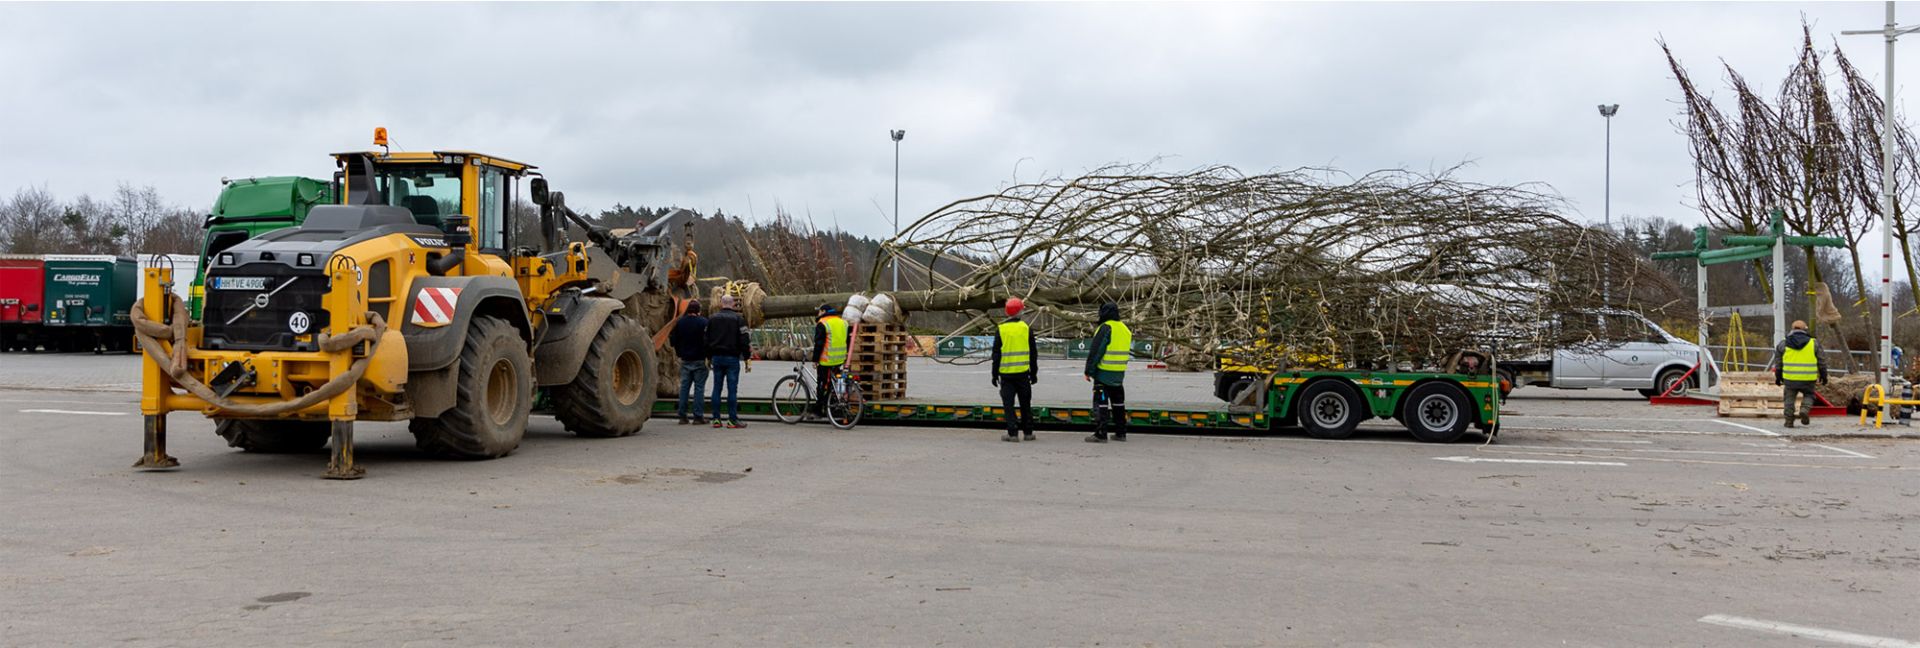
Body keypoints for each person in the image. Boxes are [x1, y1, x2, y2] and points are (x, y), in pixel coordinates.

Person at [992, 297, 1039, 442]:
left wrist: (994, 374)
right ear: (1020, 311)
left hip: (1006, 375)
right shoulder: (1026, 328)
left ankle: (1012, 434)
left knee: (1008, 405)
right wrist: (1034, 372)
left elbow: (996, 355)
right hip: (1023, 374)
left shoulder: (1001, 329)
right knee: (1025, 404)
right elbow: (1033, 353)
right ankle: (1028, 432)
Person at [1083, 302, 1129, 443]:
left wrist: (1088, 371)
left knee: (1101, 403)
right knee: (1118, 404)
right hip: (1119, 375)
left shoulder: (1105, 328)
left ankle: (1101, 433)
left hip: (1103, 374)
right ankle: (1121, 433)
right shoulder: (1125, 329)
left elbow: (1097, 351)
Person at [1770, 319, 1828, 428]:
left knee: (1789, 399)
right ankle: (1804, 410)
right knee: (1809, 395)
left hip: (1790, 378)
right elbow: (1821, 361)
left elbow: (1778, 363)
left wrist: (1778, 377)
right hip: (1808, 378)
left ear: (1792, 329)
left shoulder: (1783, 343)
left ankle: (1789, 421)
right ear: (1805, 329)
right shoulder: (1813, 342)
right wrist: (1824, 376)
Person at [705, 294, 752, 429]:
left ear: (721, 303)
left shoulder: (712, 319)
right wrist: (747, 357)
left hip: (717, 358)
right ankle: (732, 420)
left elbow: (706, 340)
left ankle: (716, 419)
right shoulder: (739, 319)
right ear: (732, 304)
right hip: (732, 359)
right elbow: (744, 340)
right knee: (732, 390)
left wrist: (708, 357)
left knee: (716, 389)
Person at [670, 300, 709, 425]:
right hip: (700, 360)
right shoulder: (704, 322)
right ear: (698, 311)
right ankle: (698, 417)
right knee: (699, 388)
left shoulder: (680, 323)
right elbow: (708, 341)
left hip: (685, 360)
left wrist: (679, 352)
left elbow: (673, 340)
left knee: (684, 388)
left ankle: (682, 416)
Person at [810, 304, 850, 419]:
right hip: (839, 359)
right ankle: (831, 407)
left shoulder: (823, 323)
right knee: (833, 384)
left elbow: (819, 344)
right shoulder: (843, 322)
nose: (818, 314)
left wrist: (815, 359)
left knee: (822, 385)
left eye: (819, 312)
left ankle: (818, 410)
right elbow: (846, 340)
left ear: (823, 311)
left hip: (827, 360)